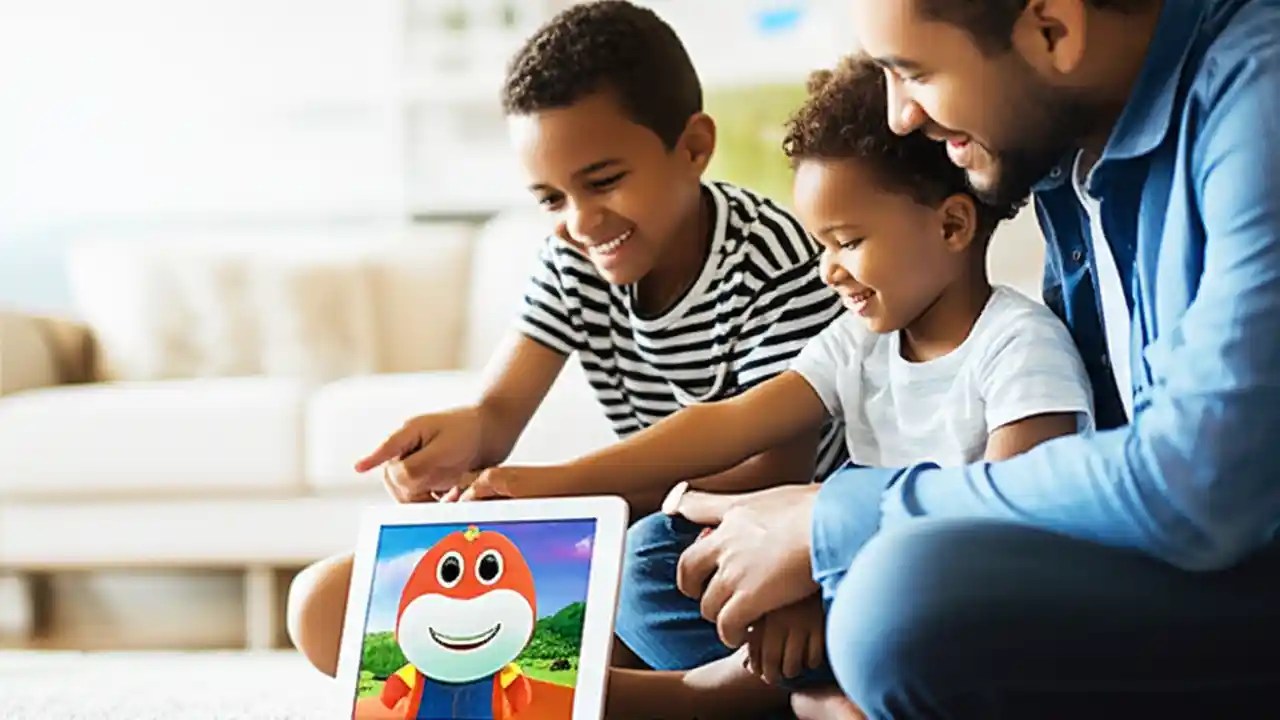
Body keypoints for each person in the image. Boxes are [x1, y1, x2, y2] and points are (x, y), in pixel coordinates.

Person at [659, 0, 1280, 717]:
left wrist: (835, 517)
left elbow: (1197, 484)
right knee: (686, 565)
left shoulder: (1255, 97)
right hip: (1172, 553)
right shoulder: (1062, 156)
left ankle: (819, 689)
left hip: (1244, 568)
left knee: (897, 601)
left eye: (914, 72)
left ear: (1053, 28)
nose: (900, 118)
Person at [460, 57, 1093, 719]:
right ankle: (810, 693)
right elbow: (729, 422)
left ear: (953, 226)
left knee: (902, 601)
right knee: (650, 557)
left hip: (942, 590)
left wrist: (825, 576)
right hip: (834, 566)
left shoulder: (1019, 345)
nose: (829, 272)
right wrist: (562, 484)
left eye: (847, 241)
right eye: (821, 245)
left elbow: (1010, 523)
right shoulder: (861, 341)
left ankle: (712, 696)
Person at [284, 0, 846, 682]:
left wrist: (561, 495)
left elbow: (770, 466)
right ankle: (638, 674)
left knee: (645, 564)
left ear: (694, 146)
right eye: (551, 199)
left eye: (604, 182)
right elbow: (497, 416)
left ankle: (682, 683)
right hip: (635, 527)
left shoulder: (774, 254)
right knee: (324, 604)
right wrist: (453, 443)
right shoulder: (573, 261)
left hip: (758, 540)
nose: (580, 222)